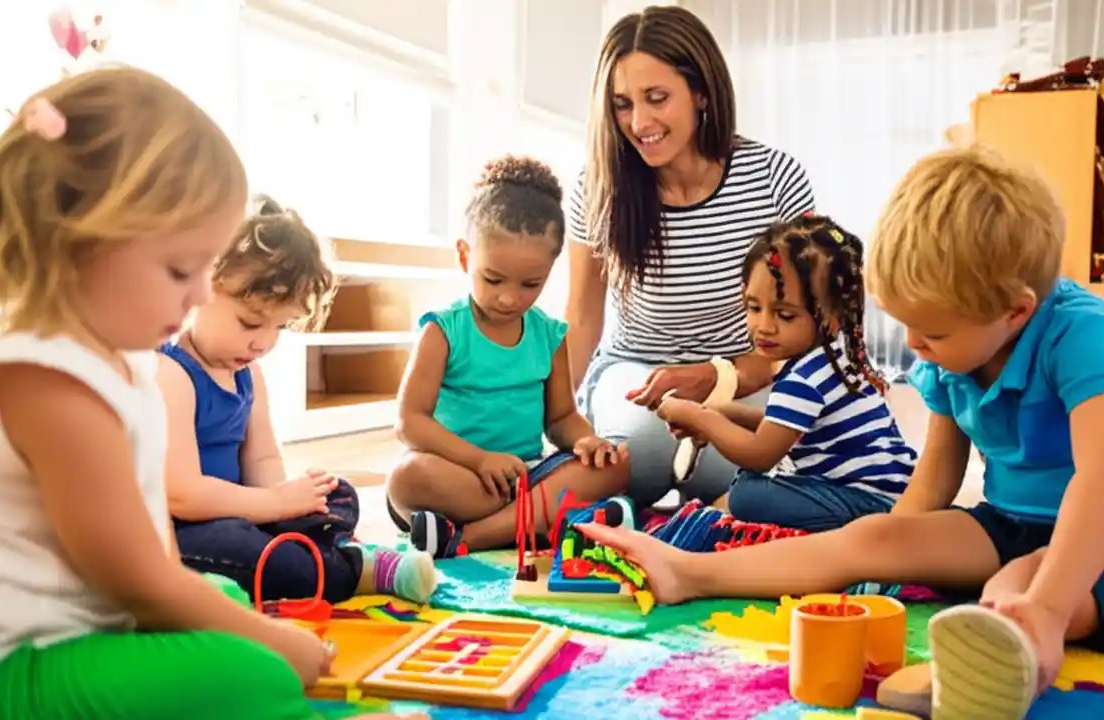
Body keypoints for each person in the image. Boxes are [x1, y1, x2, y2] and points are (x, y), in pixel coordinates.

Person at [576, 146, 1104, 720]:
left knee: (1016, 584)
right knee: (872, 534)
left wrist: (1047, 606)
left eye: (933, 334)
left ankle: (1015, 643)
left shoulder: (1082, 333)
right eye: (908, 327)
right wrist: (889, 549)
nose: (915, 348)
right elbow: (935, 482)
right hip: (1011, 522)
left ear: (1016, 312)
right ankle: (688, 571)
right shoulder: (951, 351)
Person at [0, 67, 328, 720]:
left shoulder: (128, 365)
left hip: (65, 634)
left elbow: (152, 543)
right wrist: (267, 643)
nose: (200, 297)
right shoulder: (45, 377)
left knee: (225, 601)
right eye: (182, 270)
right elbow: (138, 581)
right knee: (251, 671)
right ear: (77, 246)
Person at [566, 5, 817, 509]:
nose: (639, 122)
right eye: (621, 104)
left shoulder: (774, 179)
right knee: (643, 452)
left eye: (657, 98)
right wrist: (551, 422)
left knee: (739, 463)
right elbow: (581, 317)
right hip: (635, 372)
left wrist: (720, 375)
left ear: (701, 92)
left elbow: (809, 325)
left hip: (751, 370)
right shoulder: (597, 188)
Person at [159, 198, 437, 605]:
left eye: (281, 326)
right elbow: (180, 494)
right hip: (182, 531)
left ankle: (328, 551)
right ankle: (353, 569)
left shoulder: (247, 374)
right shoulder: (171, 375)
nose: (264, 342)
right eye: (251, 322)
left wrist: (289, 502)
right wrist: (271, 504)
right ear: (200, 285)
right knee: (273, 560)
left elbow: (264, 463)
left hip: (242, 513)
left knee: (338, 492)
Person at [388, 156, 630, 559]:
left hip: (526, 474)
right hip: (459, 476)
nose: (508, 297)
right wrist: (480, 460)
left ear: (550, 271)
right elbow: (409, 422)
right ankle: (543, 520)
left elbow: (560, 419)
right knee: (406, 477)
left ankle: (467, 537)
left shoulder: (549, 336)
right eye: (493, 279)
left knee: (617, 464)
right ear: (465, 257)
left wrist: (586, 439)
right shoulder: (443, 331)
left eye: (530, 284)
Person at [654, 215, 915, 531]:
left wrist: (699, 418)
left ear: (832, 316)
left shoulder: (802, 380)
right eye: (753, 308)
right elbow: (793, 426)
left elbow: (760, 453)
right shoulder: (837, 354)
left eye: (785, 315)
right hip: (896, 490)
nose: (764, 326)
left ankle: (843, 533)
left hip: (864, 503)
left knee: (748, 492)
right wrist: (723, 412)